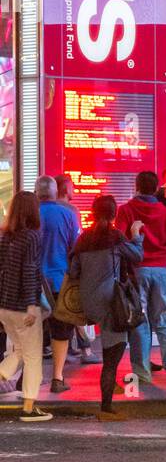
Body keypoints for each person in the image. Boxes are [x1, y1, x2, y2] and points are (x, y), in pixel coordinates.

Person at [68, 197, 144, 417]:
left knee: (111, 353)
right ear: (113, 215)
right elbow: (137, 256)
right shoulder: (115, 237)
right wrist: (137, 236)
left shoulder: (83, 239)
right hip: (111, 302)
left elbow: (73, 272)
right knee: (111, 358)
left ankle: (109, 396)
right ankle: (106, 406)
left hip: (88, 302)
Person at [116, 170, 166, 384]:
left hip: (137, 271)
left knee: (140, 321)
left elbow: (121, 240)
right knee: (164, 318)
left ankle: (142, 371)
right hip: (162, 270)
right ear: (156, 188)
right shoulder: (165, 212)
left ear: (136, 186)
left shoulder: (126, 210)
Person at [0, 191, 51, 420]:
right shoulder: (32, 236)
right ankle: (30, 407)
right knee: (32, 357)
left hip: (5, 306)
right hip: (23, 306)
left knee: (20, 351)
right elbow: (30, 270)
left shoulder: (6, 236)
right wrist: (32, 305)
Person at [36, 174, 78, 396]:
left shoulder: (29, 215)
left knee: (31, 331)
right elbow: (74, 247)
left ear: (37, 193)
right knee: (61, 330)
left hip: (32, 283)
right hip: (59, 280)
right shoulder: (67, 214)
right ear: (54, 192)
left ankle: (28, 374)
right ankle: (57, 377)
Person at [55, 174, 95, 366]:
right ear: (64, 189)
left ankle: (66, 347)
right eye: (71, 186)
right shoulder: (71, 210)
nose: (74, 190)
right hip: (66, 267)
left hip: (46, 271)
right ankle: (85, 348)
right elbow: (76, 241)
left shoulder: (41, 209)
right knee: (73, 307)